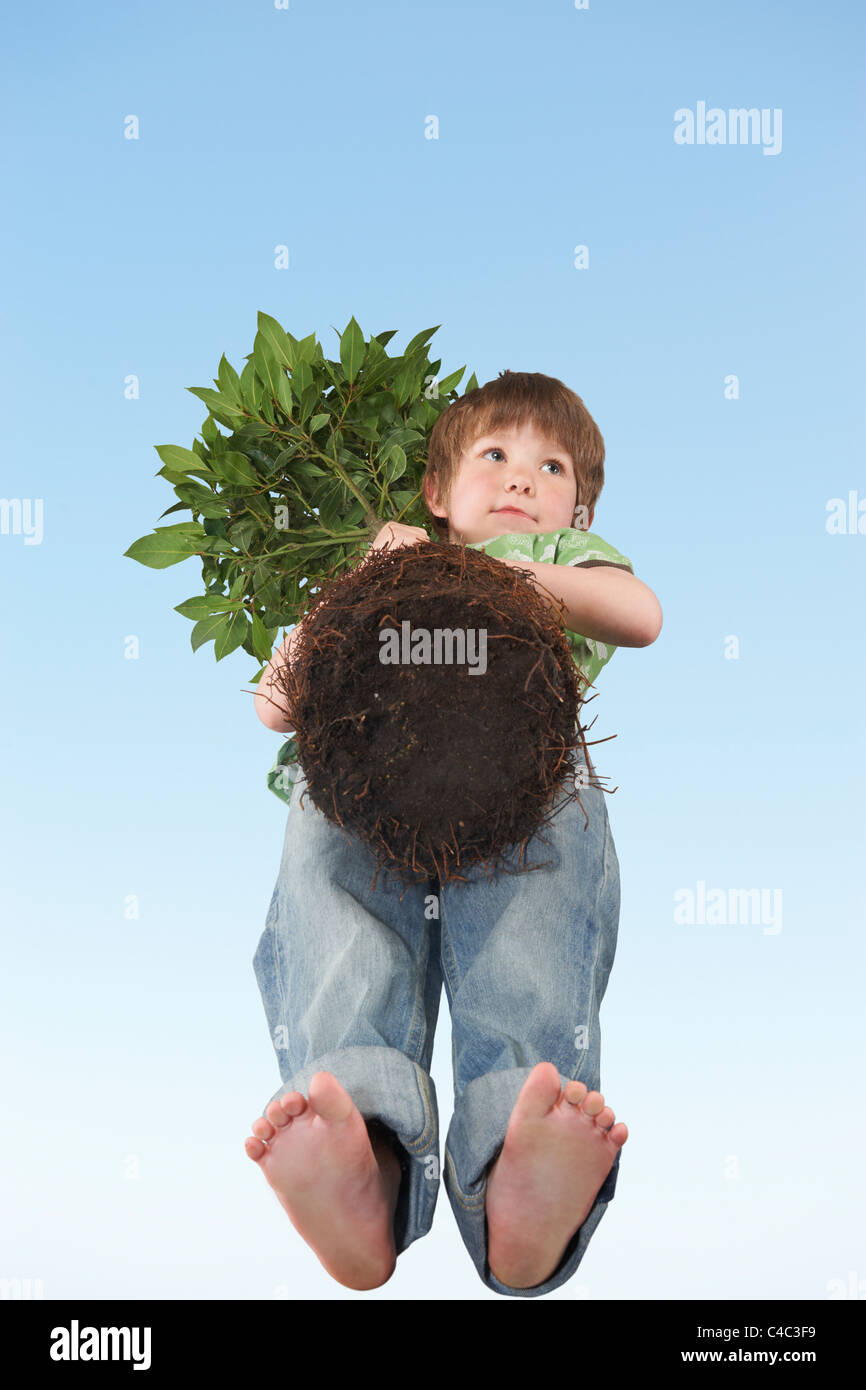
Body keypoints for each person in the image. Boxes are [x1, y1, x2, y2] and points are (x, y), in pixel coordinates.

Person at [244, 370, 663, 1296]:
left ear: (578, 506)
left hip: (522, 783)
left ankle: (519, 1154)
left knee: (532, 940)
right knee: (341, 921)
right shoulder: (383, 568)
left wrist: (506, 570)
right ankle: (365, 1152)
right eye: (495, 456)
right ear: (436, 495)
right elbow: (277, 706)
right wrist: (358, 580)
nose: (521, 480)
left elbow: (642, 618)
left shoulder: (562, 562)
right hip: (367, 785)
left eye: (550, 467)